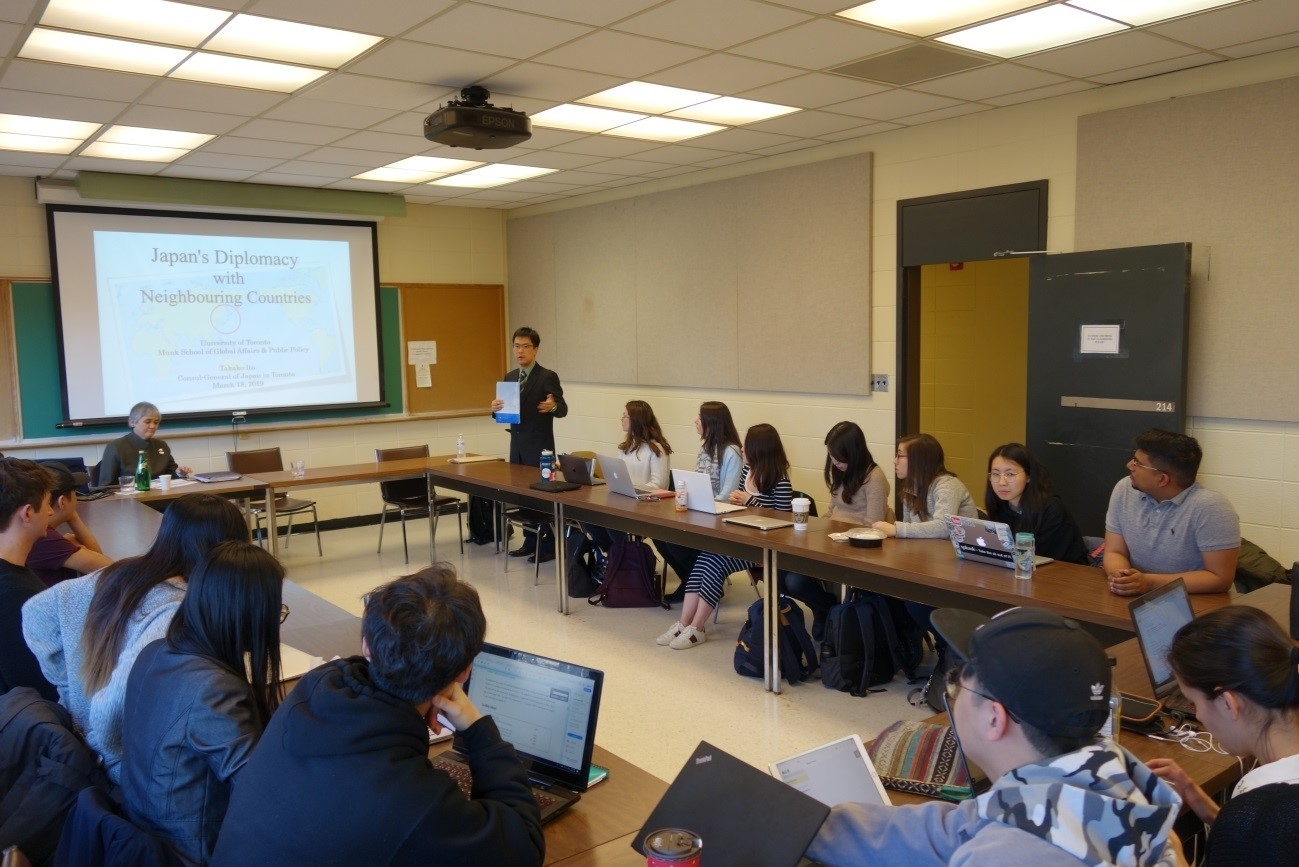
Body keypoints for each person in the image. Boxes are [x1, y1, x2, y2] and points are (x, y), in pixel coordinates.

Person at [210, 565, 545, 866]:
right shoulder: (417, 802)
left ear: (367, 645)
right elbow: (524, 845)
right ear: (465, 672)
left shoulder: (313, 690)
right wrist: (477, 731)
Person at [807, 607, 1185, 867]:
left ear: (994, 718)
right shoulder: (1099, 777)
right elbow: (952, 829)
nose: (952, 693)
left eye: (958, 682)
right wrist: (798, 821)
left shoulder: (1013, 853)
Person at [21, 493, 249, 782]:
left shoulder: (124, 571)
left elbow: (35, 612)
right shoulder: (175, 612)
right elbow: (109, 710)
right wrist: (112, 750)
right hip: (120, 768)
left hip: (80, 740)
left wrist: (70, 685)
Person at [121, 541, 285, 867]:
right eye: (274, 612)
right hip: (191, 854)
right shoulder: (216, 691)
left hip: (143, 834)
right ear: (247, 614)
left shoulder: (154, 652)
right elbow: (261, 796)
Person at [1147, 606, 1299, 829]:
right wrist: (1220, 819)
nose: (1197, 715)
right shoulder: (1262, 813)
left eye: (1193, 702)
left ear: (1229, 703)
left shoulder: (1260, 808)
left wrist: (1171, 854)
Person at [656, 423, 793, 650]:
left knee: (716, 563)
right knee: (705, 559)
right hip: (739, 536)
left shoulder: (781, 481)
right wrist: (734, 503)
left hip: (761, 547)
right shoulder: (748, 473)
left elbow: (784, 521)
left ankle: (697, 627)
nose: (742, 449)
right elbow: (741, 507)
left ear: (759, 449)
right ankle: (684, 623)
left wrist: (750, 501)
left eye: (746, 446)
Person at [781, 421, 890, 639]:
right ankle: (825, 607)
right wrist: (818, 531)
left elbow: (873, 526)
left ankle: (827, 609)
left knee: (796, 580)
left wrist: (840, 536)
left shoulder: (874, 477)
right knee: (783, 575)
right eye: (831, 456)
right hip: (832, 541)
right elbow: (831, 512)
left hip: (855, 547)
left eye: (839, 457)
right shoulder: (840, 472)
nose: (834, 462)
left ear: (854, 453)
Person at [1103, 428, 1239, 596]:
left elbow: (1220, 579)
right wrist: (1122, 577)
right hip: (1140, 595)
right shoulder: (1125, 488)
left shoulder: (1211, 508)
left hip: (1196, 601)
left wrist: (1150, 582)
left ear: (1162, 479)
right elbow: (1115, 551)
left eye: (1137, 463)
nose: (1129, 466)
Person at [490, 327, 567, 563]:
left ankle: (546, 547)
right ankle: (529, 541)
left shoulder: (546, 376)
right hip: (517, 447)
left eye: (525, 346)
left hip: (540, 448)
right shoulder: (510, 376)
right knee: (523, 497)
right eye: (516, 346)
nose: (519, 351)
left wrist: (552, 407)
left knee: (541, 498)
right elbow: (507, 414)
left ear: (535, 349)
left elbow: (562, 409)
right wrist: (495, 410)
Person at [656, 401, 743, 602]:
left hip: (720, 515)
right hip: (701, 511)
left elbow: (728, 495)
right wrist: (686, 494)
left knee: (677, 543)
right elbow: (698, 483)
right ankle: (691, 582)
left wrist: (700, 501)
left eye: (699, 418)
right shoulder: (705, 449)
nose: (695, 421)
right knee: (661, 535)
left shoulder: (732, 452)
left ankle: (705, 584)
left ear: (711, 423)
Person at [0, 458, 57, 700]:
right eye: (47, 504)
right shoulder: (18, 597)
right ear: (27, 513)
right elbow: (40, 690)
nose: (52, 511)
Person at [585, 399, 672, 551]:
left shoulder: (657, 449)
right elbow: (619, 476)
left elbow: (660, 486)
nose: (621, 419)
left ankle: (622, 556)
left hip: (647, 505)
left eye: (625, 416)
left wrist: (634, 492)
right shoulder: (625, 447)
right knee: (589, 518)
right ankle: (614, 555)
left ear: (636, 420)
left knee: (613, 523)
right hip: (625, 501)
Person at [984, 443, 1088, 564]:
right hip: (1019, 574)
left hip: (1064, 575)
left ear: (1029, 476)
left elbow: (1044, 559)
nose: (1002, 482)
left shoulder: (1052, 509)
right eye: (996, 474)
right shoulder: (999, 506)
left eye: (1010, 474)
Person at [27, 460, 113, 587]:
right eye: (75, 493)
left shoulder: (40, 531)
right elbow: (109, 570)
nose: (77, 499)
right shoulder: (45, 539)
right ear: (62, 502)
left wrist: (72, 516)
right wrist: (80, 546)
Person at [873, 433, 976, 538]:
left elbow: (944, 527)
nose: (894, 461)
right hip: (928, 550)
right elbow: (908, 531)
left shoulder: (948, 484)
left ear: (918, 460)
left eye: (899, 455)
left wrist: (896, 529)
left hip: (959, 551)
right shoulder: (911, 486)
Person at [97, 400, 192, 487]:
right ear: (132, 422)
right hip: (130, 501)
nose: (153, 426)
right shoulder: (116, 446)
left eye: (156, 422)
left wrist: (180, 472)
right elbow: (106, 486)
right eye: (148, 422)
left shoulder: (161, 445)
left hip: (160, 497)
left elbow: (171, 474)